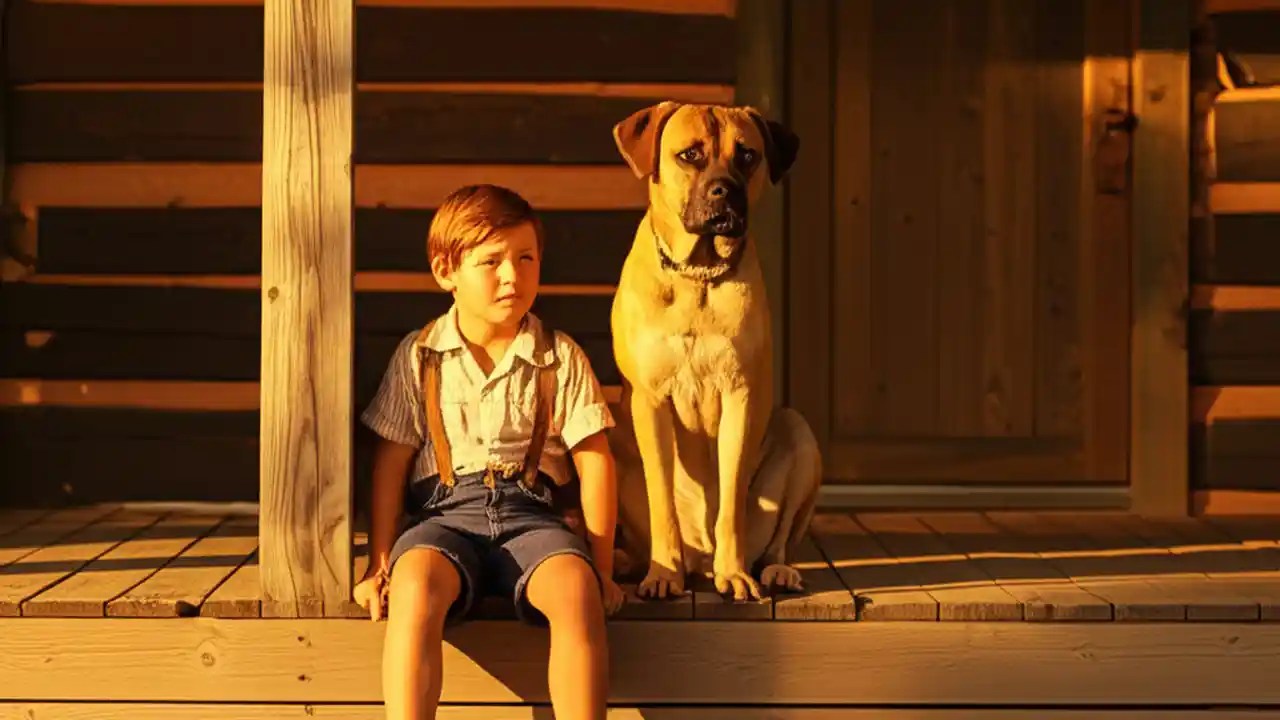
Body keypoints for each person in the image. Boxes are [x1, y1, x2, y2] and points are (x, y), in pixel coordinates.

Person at [353, 184, 626, 720]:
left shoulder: (559, 357)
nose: (512, 276)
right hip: (444, 515)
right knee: (415, 585)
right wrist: (379, 561)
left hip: (533, 516)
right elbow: (391, 462)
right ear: (445, 271)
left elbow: (595, 460)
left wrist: (602, 566)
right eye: (491, 261)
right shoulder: (420, 355)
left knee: (574, 592)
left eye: (526, 259)